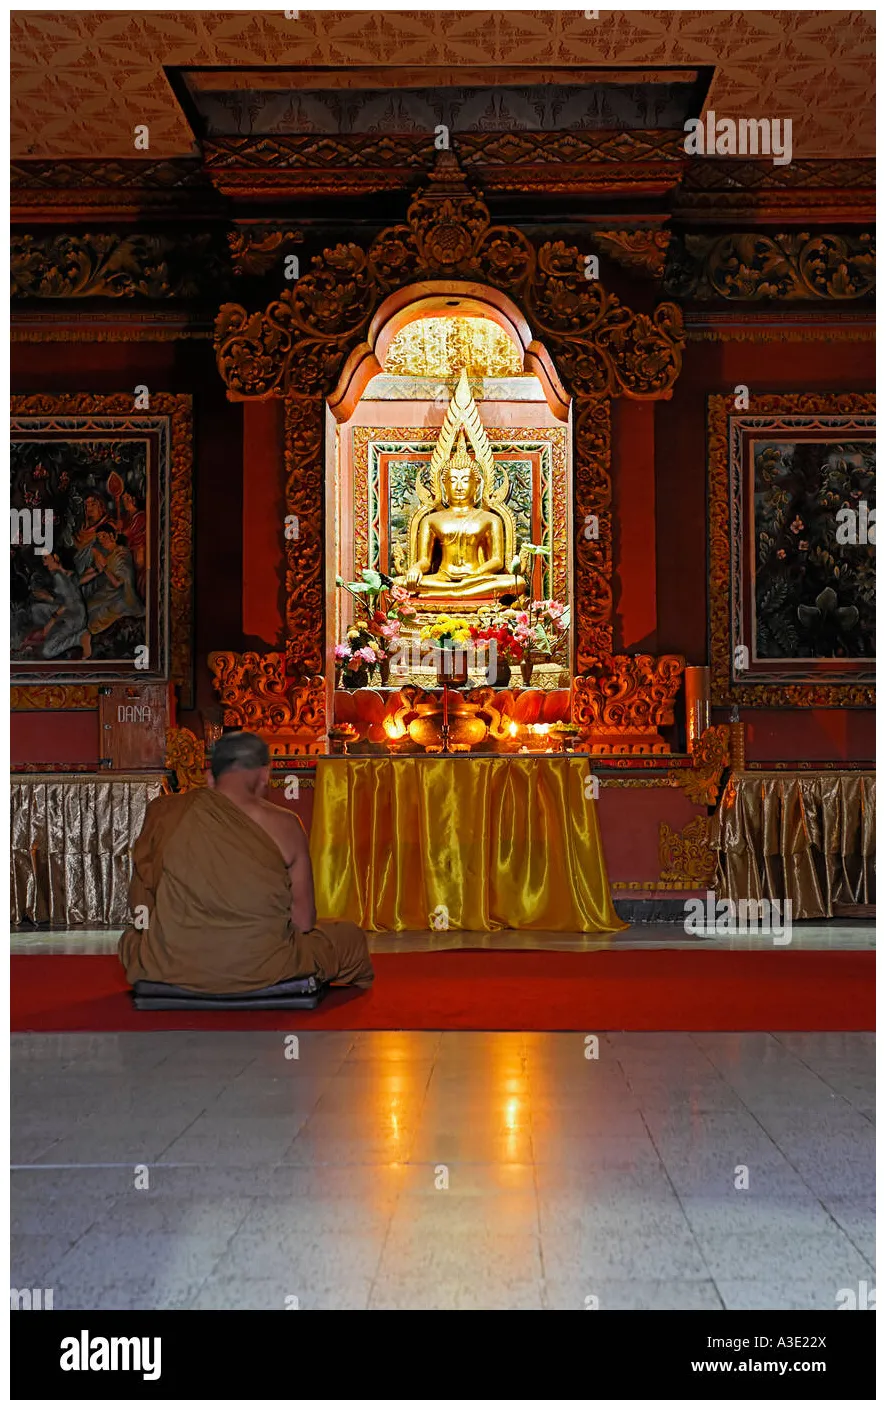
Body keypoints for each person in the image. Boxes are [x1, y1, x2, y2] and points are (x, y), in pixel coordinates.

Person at [119, 730, 374, 995]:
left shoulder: (166, 812)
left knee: (132, 941)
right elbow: (303, 921)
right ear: (264, 775)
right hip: (265, 966)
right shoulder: (286, 824)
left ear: (208, 777)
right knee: (347, 937)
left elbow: (142, 904)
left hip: (174, 964)